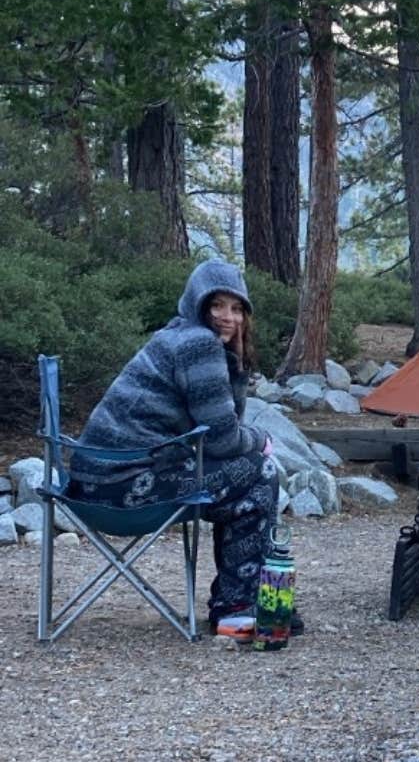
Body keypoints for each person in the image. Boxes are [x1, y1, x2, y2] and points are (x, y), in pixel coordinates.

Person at [70, 260, 300, 637]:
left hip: (94, 483)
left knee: (245, 470)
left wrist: (235, 362)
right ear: (197, 304)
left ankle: (243, 600)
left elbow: (221, 429)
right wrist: (262, 440)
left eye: (237, 308)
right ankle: (237, 606)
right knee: (260, 472)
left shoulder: (179, 336)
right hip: (124, 487)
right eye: (217, 306)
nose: (228, 317)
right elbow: (225, 439)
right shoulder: (197, 344)